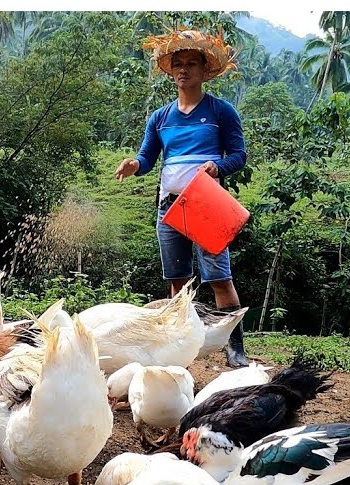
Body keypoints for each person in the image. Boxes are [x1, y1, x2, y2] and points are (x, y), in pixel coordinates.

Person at [114, 30, 249, 367]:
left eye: (191, 64)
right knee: (177, 281)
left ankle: (235, 349)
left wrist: (217, 167)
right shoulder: (160, 117)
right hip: (168, 204)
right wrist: (134, 165)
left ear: (205, 71)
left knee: (219, 278)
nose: (184, 70)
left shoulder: (221, 111)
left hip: (207, 203)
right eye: (178, 65)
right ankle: (179, 346)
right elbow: (147, 158)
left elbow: (239, 155)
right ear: (170, 72)